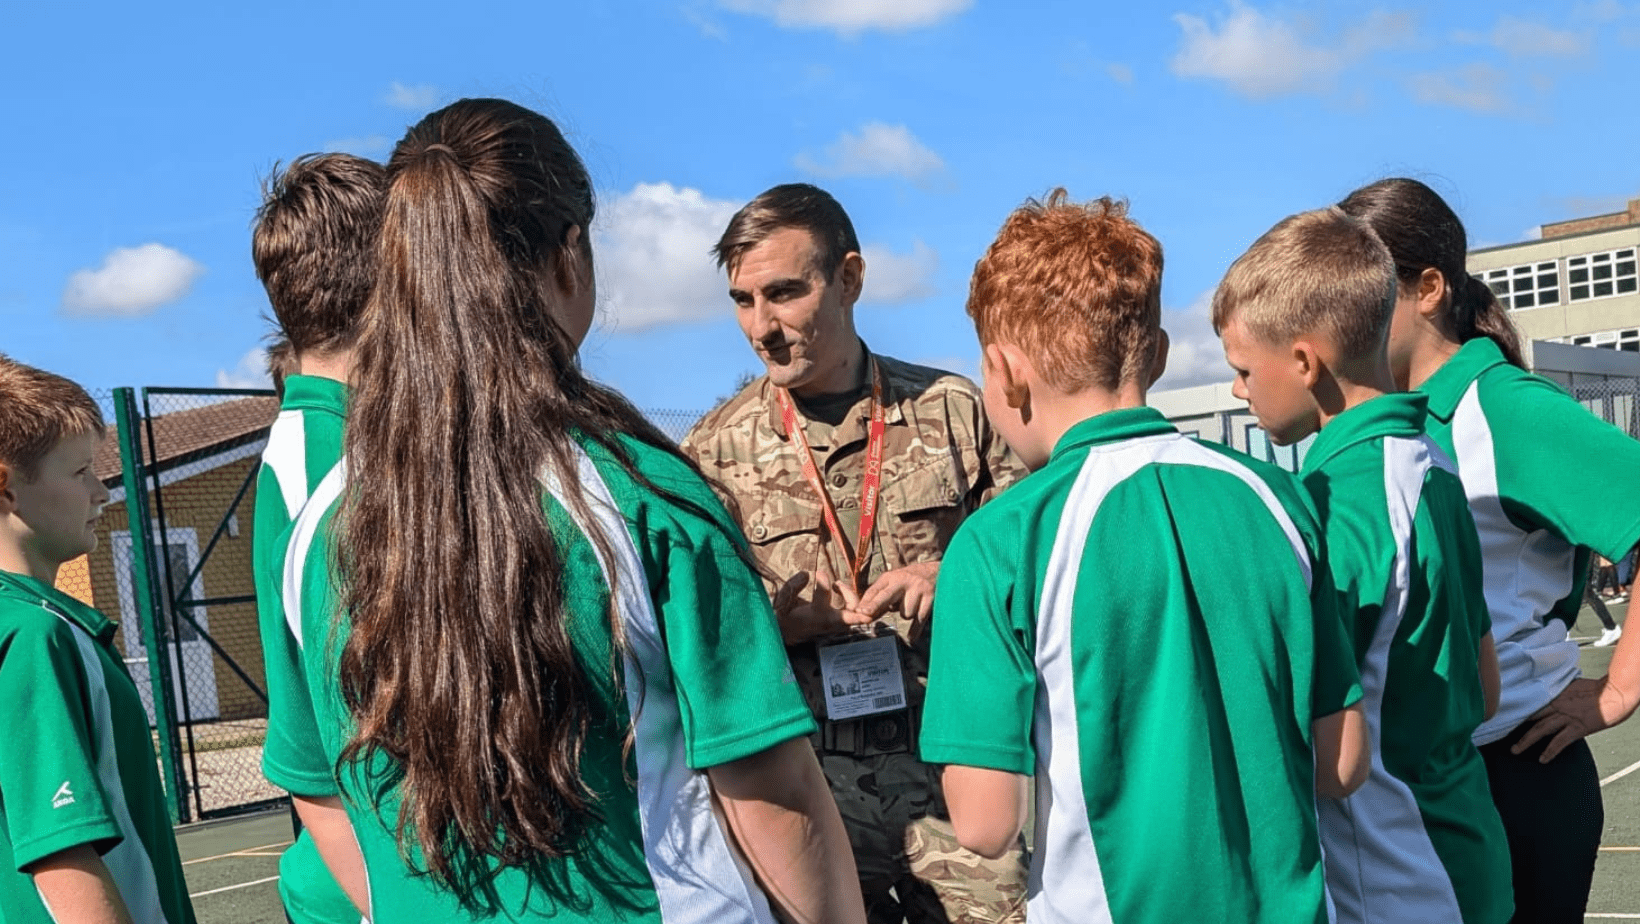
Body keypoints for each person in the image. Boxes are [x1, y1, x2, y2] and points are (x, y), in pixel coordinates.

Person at [262, 98, 863, 924]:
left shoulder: (319, 525)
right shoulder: (640, 493)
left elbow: (323, 794)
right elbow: (769, 788)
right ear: (569, 254)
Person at [919, 191, 1369, 923]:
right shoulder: (1278, 497)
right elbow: (1342, 762)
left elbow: (985, 823)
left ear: (1004, 372)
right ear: (1156, 354)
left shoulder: (1000, 539)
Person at [680, 182, 1029, 923]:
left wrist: (955, 579)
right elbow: (695, 644)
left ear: (850, 278)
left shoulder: (952, 412)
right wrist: (775, 626)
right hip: (810, 802)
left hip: (956, 783)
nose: (762, 327)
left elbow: (1036, 567)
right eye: (743, 301)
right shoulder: (711, 454)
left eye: (784, 293)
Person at [1340, 177, 1640, 923]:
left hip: (1515, 771)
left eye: (1363, 287)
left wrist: (1617, 691)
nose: (1341, 308)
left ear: (1429, 289)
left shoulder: (1504, 409)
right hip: (1421, 779)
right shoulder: (1381, 420)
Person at [1213, 206, 1511, 923]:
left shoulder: (1334, 503)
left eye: (1243, 370)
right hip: (1467, 848)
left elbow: (1324, 753)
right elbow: (1486, 688)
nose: (1237, 391)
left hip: (1396, 879)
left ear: (1306, 363)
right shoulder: (1436, 465)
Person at [0, 356, 197, 924]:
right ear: (6, 489)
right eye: (81, 471)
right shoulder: (35, 634)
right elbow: (62, 853)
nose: (102, 490)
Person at [249, 151, 385, 924]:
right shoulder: (322, 462)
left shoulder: (341, 438)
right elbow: (320, 753)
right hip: (376, 880)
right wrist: (383, 905)